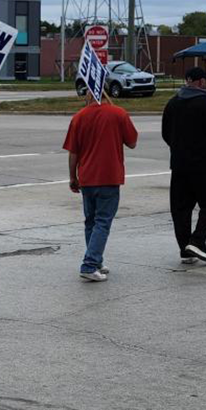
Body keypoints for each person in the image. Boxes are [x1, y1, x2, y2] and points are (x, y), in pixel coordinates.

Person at [63, 87, 139, 281]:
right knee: (103, 222)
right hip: (109, 175)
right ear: (106, 93)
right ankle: (89, 265)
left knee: (91, 221)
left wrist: (73, 177)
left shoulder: (79, 117)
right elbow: (132, 142)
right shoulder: (118, 113)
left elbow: (73, 153)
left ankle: (95, 260)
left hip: (87, 176)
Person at [162, 67, 206, 264]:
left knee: (181, 209)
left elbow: (166, 134)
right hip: (204, 165)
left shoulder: (173, 102)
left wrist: (180, 148)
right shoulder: (205, 101)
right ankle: (197, 240)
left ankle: (185, 249)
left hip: (179, 165)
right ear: (202, 82)